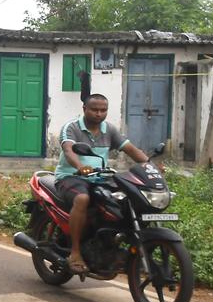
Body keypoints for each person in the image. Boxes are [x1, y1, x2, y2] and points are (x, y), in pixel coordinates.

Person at [55, 93, 151, 274]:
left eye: (103, 110)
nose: (99, 114)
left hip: (100, 178)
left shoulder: (110, 130)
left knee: (127, 199)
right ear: (84, 109)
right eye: (94, 110)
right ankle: (75, 252)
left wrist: (150, 166)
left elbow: (131, 150)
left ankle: (112, 243)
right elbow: (69, 150)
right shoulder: (72, 127)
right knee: (82, 198)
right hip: (71, 177)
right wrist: (80, 166)